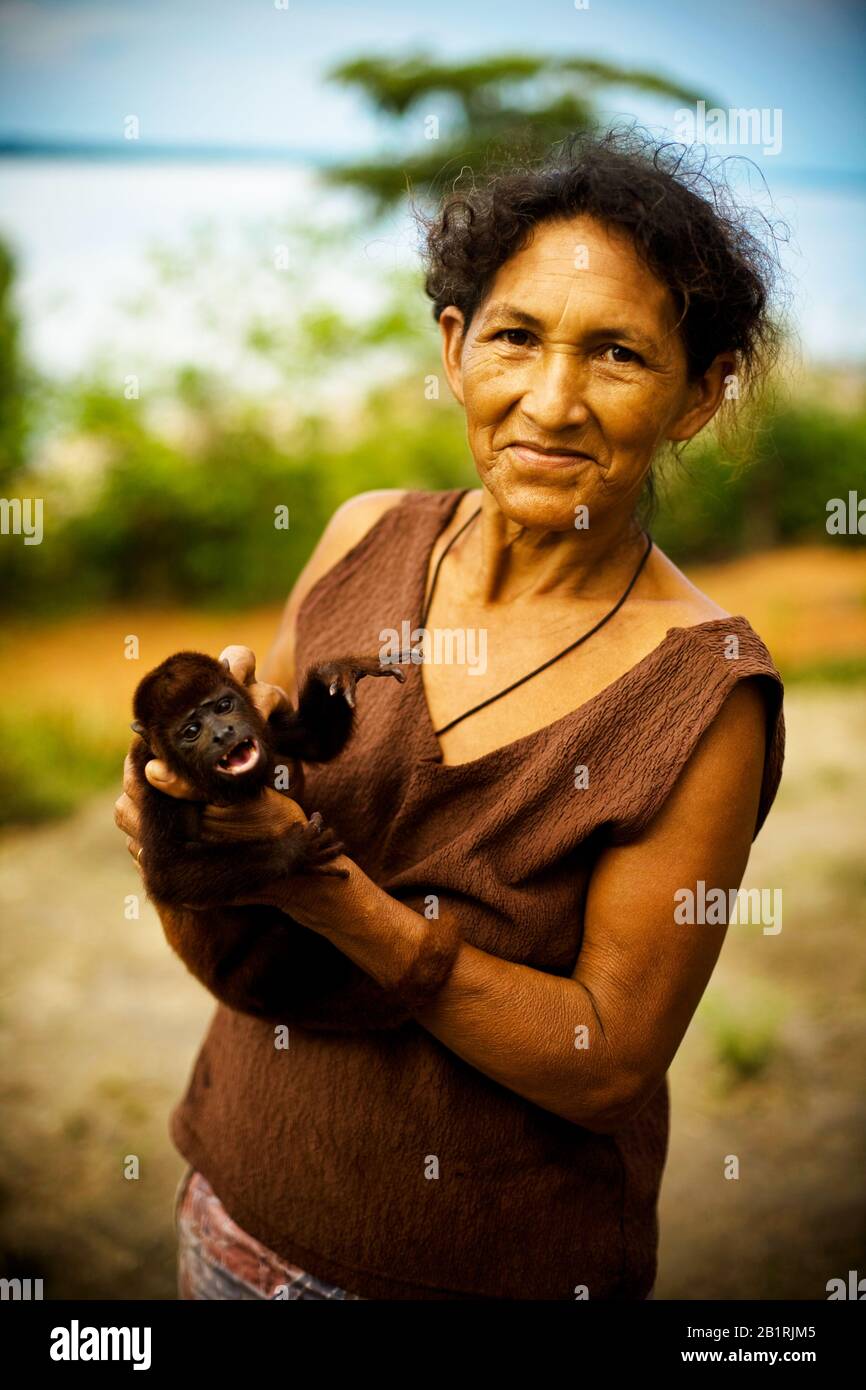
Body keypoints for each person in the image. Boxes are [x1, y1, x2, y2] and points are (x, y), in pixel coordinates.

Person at [115, 128, 786, 1301]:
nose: (552, 400)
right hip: (231, 1209)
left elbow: (606, 1064)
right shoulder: (362, 536)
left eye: (619, 353)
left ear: (700, 393)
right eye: (516, 336)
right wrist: (186, 833)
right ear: (454, 343)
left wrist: (336, 899)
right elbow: (246, 914)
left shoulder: (704, 695)